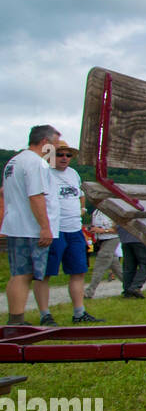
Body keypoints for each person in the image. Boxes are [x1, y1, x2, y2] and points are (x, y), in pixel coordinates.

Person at [2, 126, 59, 326]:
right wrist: (45, 226)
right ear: (45, 142)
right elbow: (36, 196)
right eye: (55, 143)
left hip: (16, 223)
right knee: (24, 274)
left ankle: (15, 318)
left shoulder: (15, 161)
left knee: (19, 273)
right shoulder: (36, 164)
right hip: (30, 227)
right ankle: (16, 322)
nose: (57, 149)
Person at [44, 142, 103, 324]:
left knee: (78, 271)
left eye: (67, 155)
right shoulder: (45, 174)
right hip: (54, 229)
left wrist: (83, 208)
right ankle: (45, 314)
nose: (64, 158)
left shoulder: (73, 174)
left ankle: (79, 312)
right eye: (59, 154)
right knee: (45, 273)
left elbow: (80, 194)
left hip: (75, 228)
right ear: (51, 157)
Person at [84, 209, 122, 299]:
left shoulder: (114, 211)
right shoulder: (96, 212)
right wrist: (93, 230)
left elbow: (119, 229)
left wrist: (103, 231)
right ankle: (131, 285)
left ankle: (89, 291)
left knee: (100, 264)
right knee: (115, 265)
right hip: (101, 240)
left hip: (112, 238)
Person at [118, 225, 146, 299]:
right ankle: (135, 287)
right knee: (145, 264)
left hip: (125, 237)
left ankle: (127, 291)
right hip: (141, 237)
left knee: (129, 267)